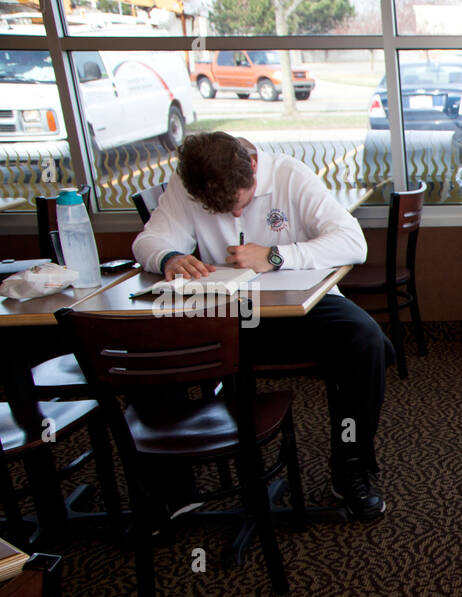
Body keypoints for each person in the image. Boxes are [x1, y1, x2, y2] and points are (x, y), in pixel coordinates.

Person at [132, 131, 394, 520]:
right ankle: (173, 486)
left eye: (241, 204)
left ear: (253, 167)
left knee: (366, 341)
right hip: (225, 315)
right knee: (152, 344)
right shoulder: (186, 185)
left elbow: (352, 243)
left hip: (300, 310)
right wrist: (169, 255)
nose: (236, 217)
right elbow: (147, 240)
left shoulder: (290, 176)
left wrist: (274, 255)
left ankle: (350, 465)